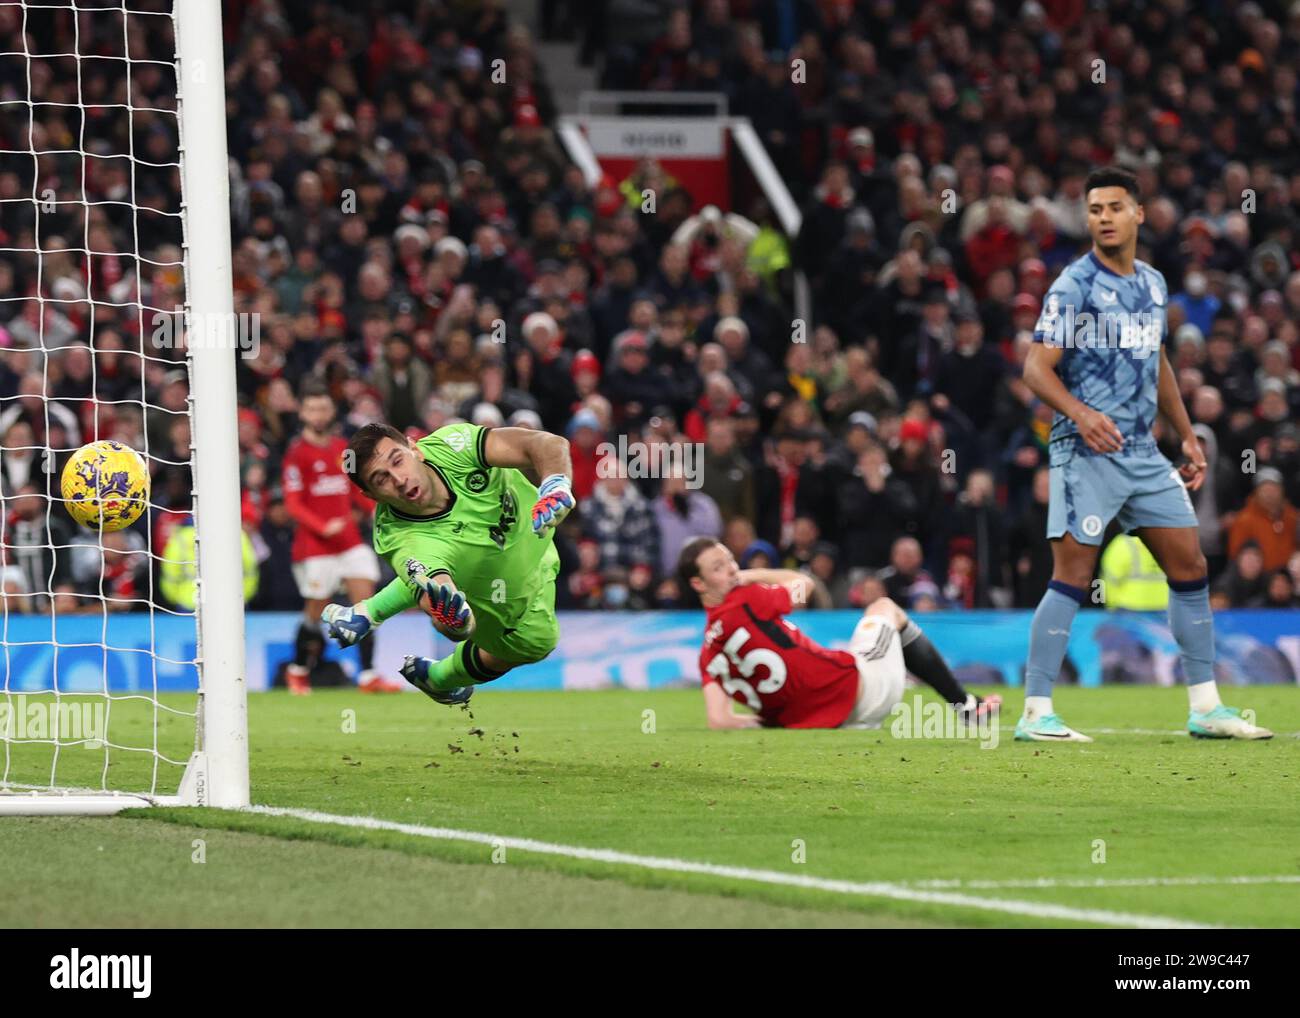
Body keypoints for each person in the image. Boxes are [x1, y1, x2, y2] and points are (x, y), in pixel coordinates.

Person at [1019, 167, 1270, 741]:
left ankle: (1206, 708)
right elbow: (1036, 367)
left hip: (1142, 451)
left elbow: (1154, 359)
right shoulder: (1073, 285)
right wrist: (1081, 414)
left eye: (1113, 207)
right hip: (1083, 450)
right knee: (1073, 574)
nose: (1103, 217)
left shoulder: (1155, 285)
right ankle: (1036, 711)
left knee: (1190, 566)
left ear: (1138, 213)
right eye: (1094, 209)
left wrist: (1183, 432)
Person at [321, 420, 575, 707]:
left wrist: (555, 483)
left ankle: (367, 612)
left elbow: (548, 443)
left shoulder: (453, 445)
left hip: (538, 545)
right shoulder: (401, 540)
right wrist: (455, 623)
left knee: (524, 431)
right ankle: (437, 678)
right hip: (501, 594)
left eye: (398, 460)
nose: (400, 480)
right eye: (382, 479)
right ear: (371, 496)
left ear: (414, 448)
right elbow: (438, 596)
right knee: (537, 642)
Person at [677, 536, 998, 730]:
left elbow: (718, 719)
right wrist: (753, 575)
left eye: (731, 560)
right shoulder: (745, 598)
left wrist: (769, 719)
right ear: (698, 584)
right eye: (719, 568)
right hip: (862, 690)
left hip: (825, 720)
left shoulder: (707, 654)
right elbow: (805, 587)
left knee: (871, 636)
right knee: (885, 608)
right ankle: (966, 705)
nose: (732, 569)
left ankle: (933, 689)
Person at [281, 381, 399, 694]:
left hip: (348, 542)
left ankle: (369, 675)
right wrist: (322, 526)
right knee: (316, 612)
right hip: (314, 547)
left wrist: (374, 508)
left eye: (323, 408)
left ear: (331, 411)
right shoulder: (296, 455)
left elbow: (355, 489)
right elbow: (293, 503)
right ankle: (298, 669)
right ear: (302, 412)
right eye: (312, 409)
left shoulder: (341, 450)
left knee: (367, 605)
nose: (319, 414)